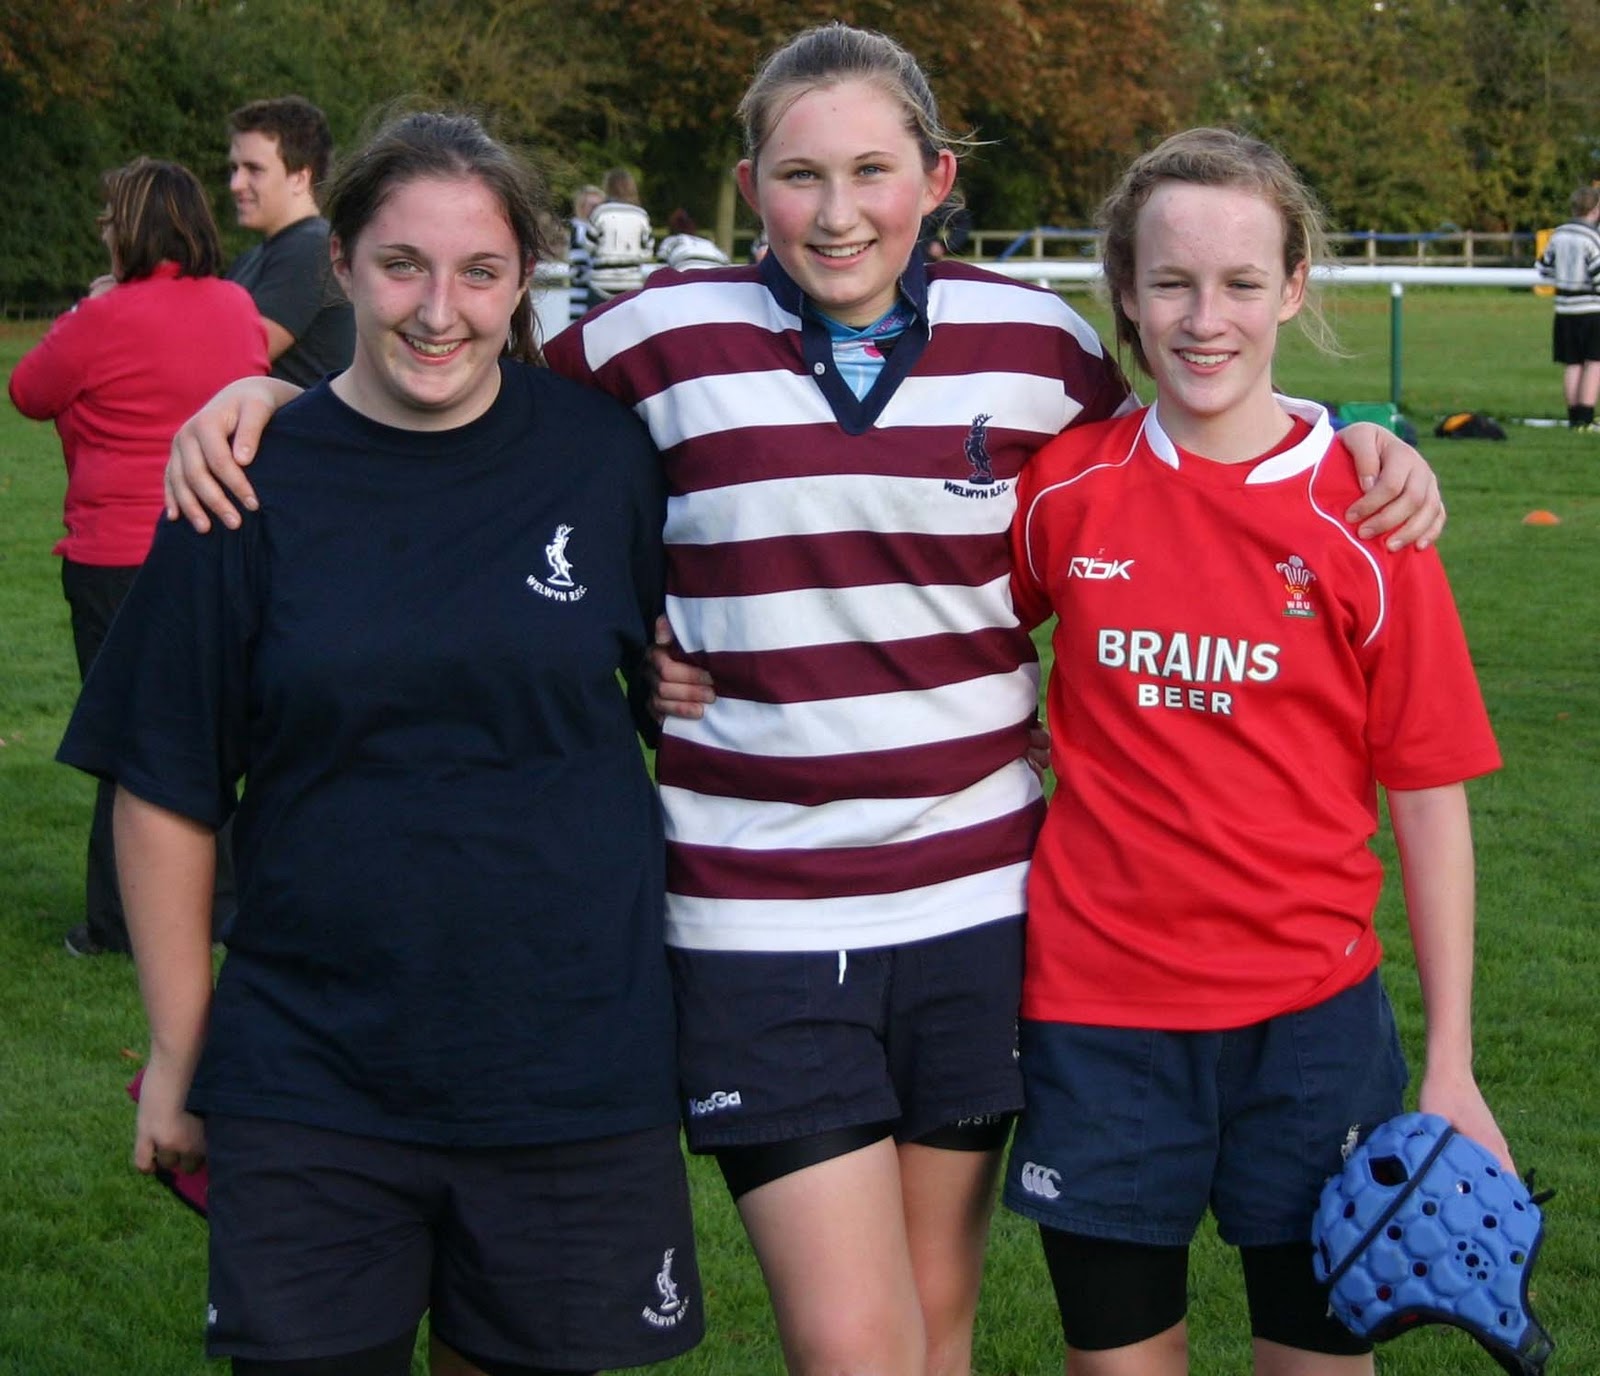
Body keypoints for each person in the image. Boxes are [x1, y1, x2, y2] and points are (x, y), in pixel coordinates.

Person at [163, 27, 1445, 1376]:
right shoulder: (657, 335)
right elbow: (450, 381)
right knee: (852, 1346)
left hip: (976, 910)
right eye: (800, 175)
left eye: (874, 170)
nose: (838, 213)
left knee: (935, 1323)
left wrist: (1357, 434)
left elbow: (1190, 435)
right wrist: (274, 394)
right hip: (754, 917)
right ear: (748, 181)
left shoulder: (1040, 343)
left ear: (937, 177)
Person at [59, 111, 701, 1376]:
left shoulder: (609, 461)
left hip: (567, 1056)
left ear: (525, 278)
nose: (439, 309)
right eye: (403, 264)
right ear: (340, 259)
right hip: (313, 1066)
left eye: (480, 271)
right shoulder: (246, 476)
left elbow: (692, 679)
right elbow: (168, 784)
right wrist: (184, 1049)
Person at [1001, 127, 1511, 1376]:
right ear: (1124, 289)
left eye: (1239, 283)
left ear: (1292, 287)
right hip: (1096, 1020)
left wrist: (1447, 1063)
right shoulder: (1064, 490)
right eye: (1170, 282)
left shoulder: (1370, 515)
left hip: (1314, 1025)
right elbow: (943, 640)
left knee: (1316, 1361)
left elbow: (1429, 800)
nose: (1203, 318)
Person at [9, 156, 268, 958]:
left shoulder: (105, 315)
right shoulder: (236, 305)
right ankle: (224, 902)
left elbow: (27, 391)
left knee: (129, 741)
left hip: (118, 547)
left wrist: (87, 307)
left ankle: (121, 919)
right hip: (221, 536)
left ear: (129, 229)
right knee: (215, 727)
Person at [226, 96, 356, 387]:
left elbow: (229, 357)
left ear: (300, 177)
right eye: (234, 169)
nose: (235, 184)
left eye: (253, 169)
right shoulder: (252, 258)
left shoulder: (312, 249)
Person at [1535, 184, 1600, 430]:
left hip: (1564, 310)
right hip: (1591, 309)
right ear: (1595, 208)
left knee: (1572, 363)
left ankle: (1574, 417)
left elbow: (1543, 267)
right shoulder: (1592, 237)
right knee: (1594, 363)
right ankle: (1586, 415)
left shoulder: (1558, 234)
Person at [584, 166, 654, 303]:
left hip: (601, 284)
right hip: (631, 284)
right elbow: (648, 252)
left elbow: (588, 246)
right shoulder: (641, 214)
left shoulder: (600, 212)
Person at [566, 182, 604, 323]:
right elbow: (578, 270)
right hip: (582, 299)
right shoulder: (580, 231)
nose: (598, 210)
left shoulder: (588, 230)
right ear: (581, 208)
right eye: (593, 206)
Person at [658, 208, 731, 271]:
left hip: (686, 271)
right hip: (716, 271)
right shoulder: (708, 243)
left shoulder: (670, 240)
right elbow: (726, 260)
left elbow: (661, 263)